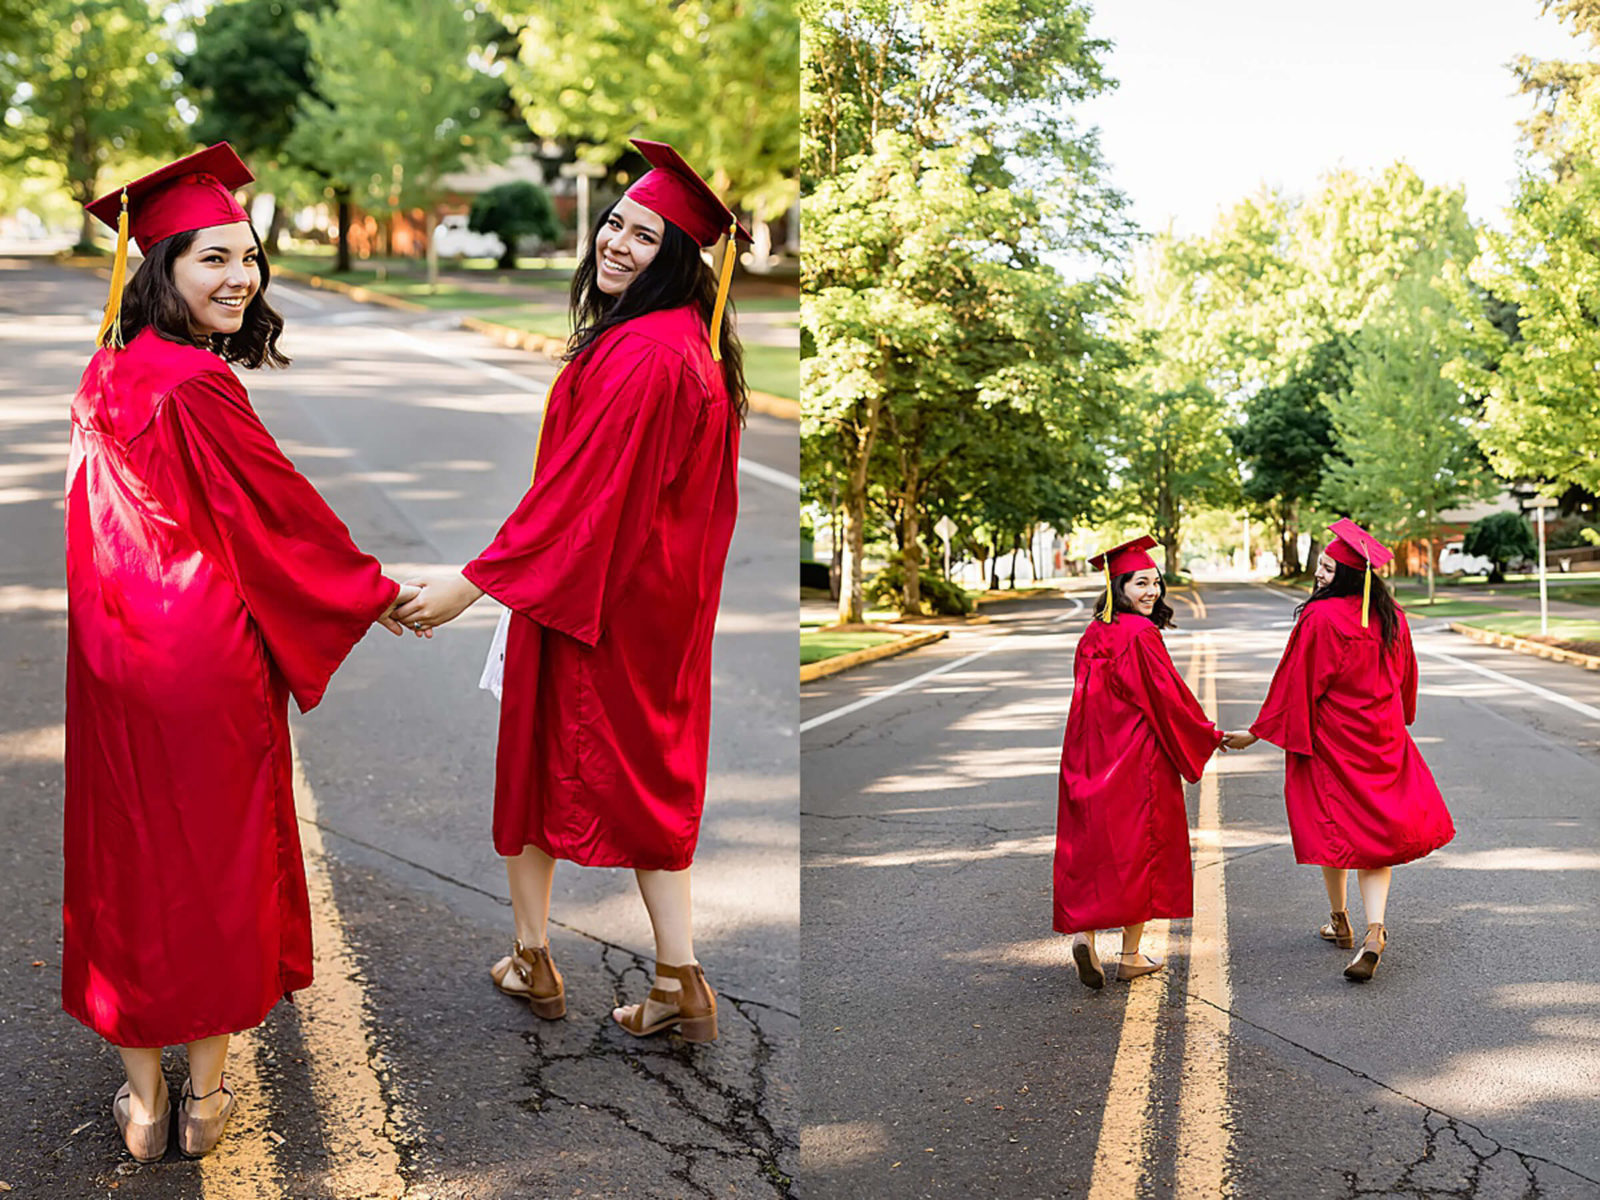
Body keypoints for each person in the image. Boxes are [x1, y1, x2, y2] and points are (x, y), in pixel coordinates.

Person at [65, 144, 414, 1161]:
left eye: (248, 257)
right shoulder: (200, 389)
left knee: (126, 862)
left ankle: (141, 1106)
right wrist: (378, 591)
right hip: (203, 661)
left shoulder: (108, 373)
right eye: (211, 257)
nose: (239, 276)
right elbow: (281, 527)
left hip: (115, 663)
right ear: (162, 266)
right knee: (211, 869)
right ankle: (207, 1097)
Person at [394, 139, 748, 1043]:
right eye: (615, 224)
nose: (618, 244)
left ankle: (537, 955)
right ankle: (672, 977)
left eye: (646, 234)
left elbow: (583, 496)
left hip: (598, 600)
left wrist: (476, 583)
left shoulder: (646, 356)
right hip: (652, 603)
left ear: (681, 258)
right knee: (649, 779)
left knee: (539, 759)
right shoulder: (671, 344)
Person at [1223, 519, 1454, 981]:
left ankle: (1339, 920)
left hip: (1332, 742)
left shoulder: (1320, 618)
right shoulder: (1393, 617)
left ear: (1346, 575)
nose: (1318, 574)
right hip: (1382, 739)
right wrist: (1400, 718)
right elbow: (1407, 680)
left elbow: (1298, 683)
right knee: (1375, 841)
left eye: (1327, 568)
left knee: (1334, 827)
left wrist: (1257, 732)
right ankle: (1374, 928)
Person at [1053, 536, 1226, 989]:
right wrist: (1209, 736)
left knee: (1091, 849)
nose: (1152, 591)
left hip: (1087, 757)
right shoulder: (1140, 634)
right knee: (1142, 852)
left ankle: (1087, 938)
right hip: (1135, 759)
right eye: (1141, 583)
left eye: (1156, 582)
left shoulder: (1094, 632)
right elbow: (1167, 699)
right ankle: (1129, 955)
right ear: (1118, 585)